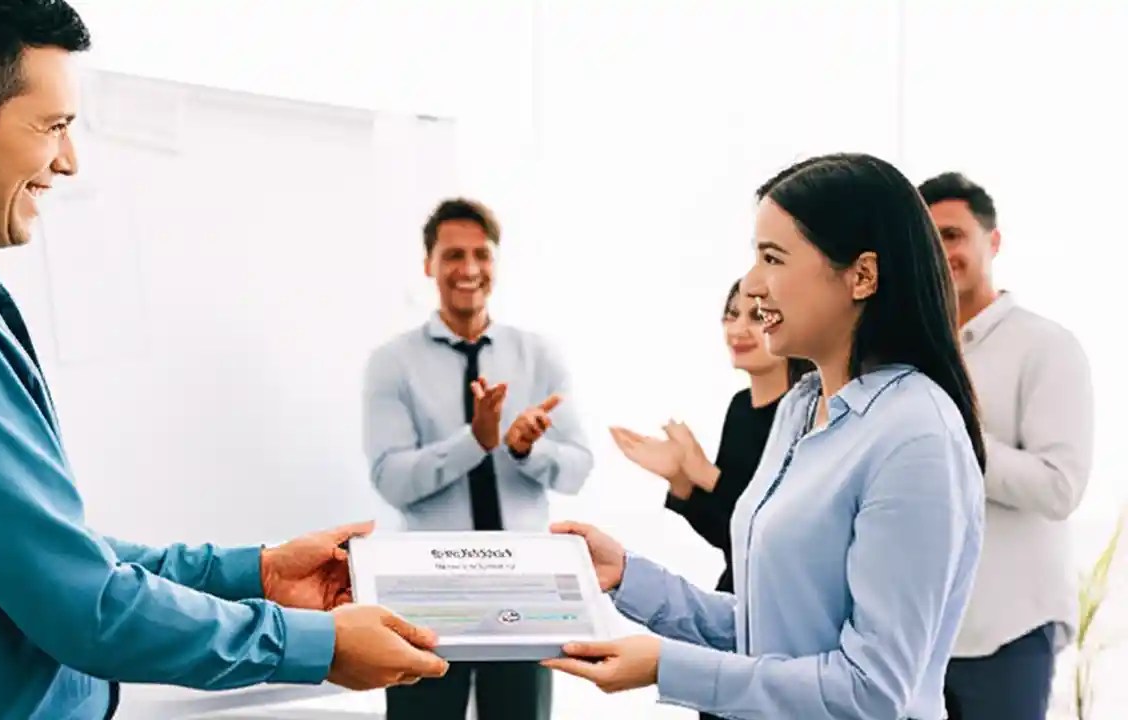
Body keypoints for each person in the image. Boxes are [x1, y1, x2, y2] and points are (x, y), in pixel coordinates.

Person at [0, 2, 447, 718]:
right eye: (53, 127)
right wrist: (315, 644)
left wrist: (254, 574)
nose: (68, 162)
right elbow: (83, 604)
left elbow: (48, 554)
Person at [542, 153, 987, 720]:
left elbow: (871, 690)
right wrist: (628, 577)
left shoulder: (915, 434)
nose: (752, 287)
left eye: (772, 258)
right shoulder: (801, 409)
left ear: (863, 275)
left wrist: (665, 666)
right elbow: (768, 630)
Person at [363, 197, 594, 720]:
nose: (468, 270)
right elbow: (390, 479)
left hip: (525, 593)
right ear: (428, 265)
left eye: (480, 254)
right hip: (426, 597)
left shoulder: (540, 354)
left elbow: (578, 468)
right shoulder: (392, 363)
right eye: (452, 256)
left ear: (496, 261)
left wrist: (522, 448)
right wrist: (476, 441)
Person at [919, 172, 1094, 720]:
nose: (942, 252)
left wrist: (957, 439)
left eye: (953, 235)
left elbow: (1060, 488)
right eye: (928, 239)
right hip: (917, 635)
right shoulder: (910, 351)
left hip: (1007, 635)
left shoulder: (1046, 346)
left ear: (992, 243)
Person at [611, 279, 812, 595]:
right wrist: (681, 480)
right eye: (731, 315)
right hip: (737, 599)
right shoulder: (740, 408)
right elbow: (731, 538)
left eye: (757, 317)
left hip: (784, 601)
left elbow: (781, 539)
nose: (738, 329)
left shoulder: (812, 413)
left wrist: (706, 473)